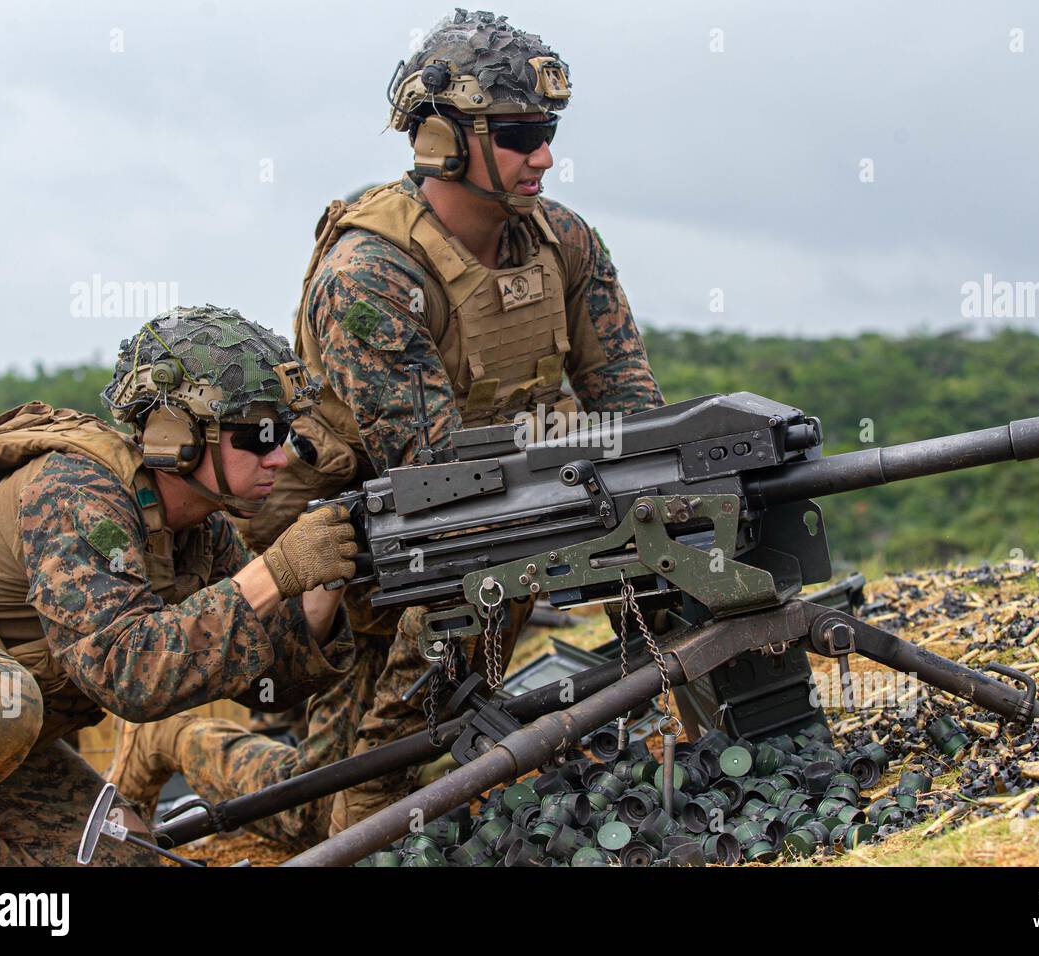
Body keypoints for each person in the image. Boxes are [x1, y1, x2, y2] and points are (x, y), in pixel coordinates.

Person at [109, 8, 667, 841]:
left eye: (546, 129)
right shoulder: (370, 275)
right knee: (336, 812)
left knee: (359, 783)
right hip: (352, 553)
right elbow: (436, 479)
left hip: (474, 528)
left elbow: (630, 412)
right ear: (443, 140)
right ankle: (178, 737)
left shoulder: (565, 244)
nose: (543, 155)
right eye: (518, 132)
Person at [0, 305, 360, 865]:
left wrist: (325, 585)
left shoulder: (202, 529)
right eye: (256, 436)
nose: (278, 458)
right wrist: (274, 573)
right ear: (177, 434)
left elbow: (266, 681)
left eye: (285, 435)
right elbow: (123, 671)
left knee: (122, 857)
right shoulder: (75, 491)